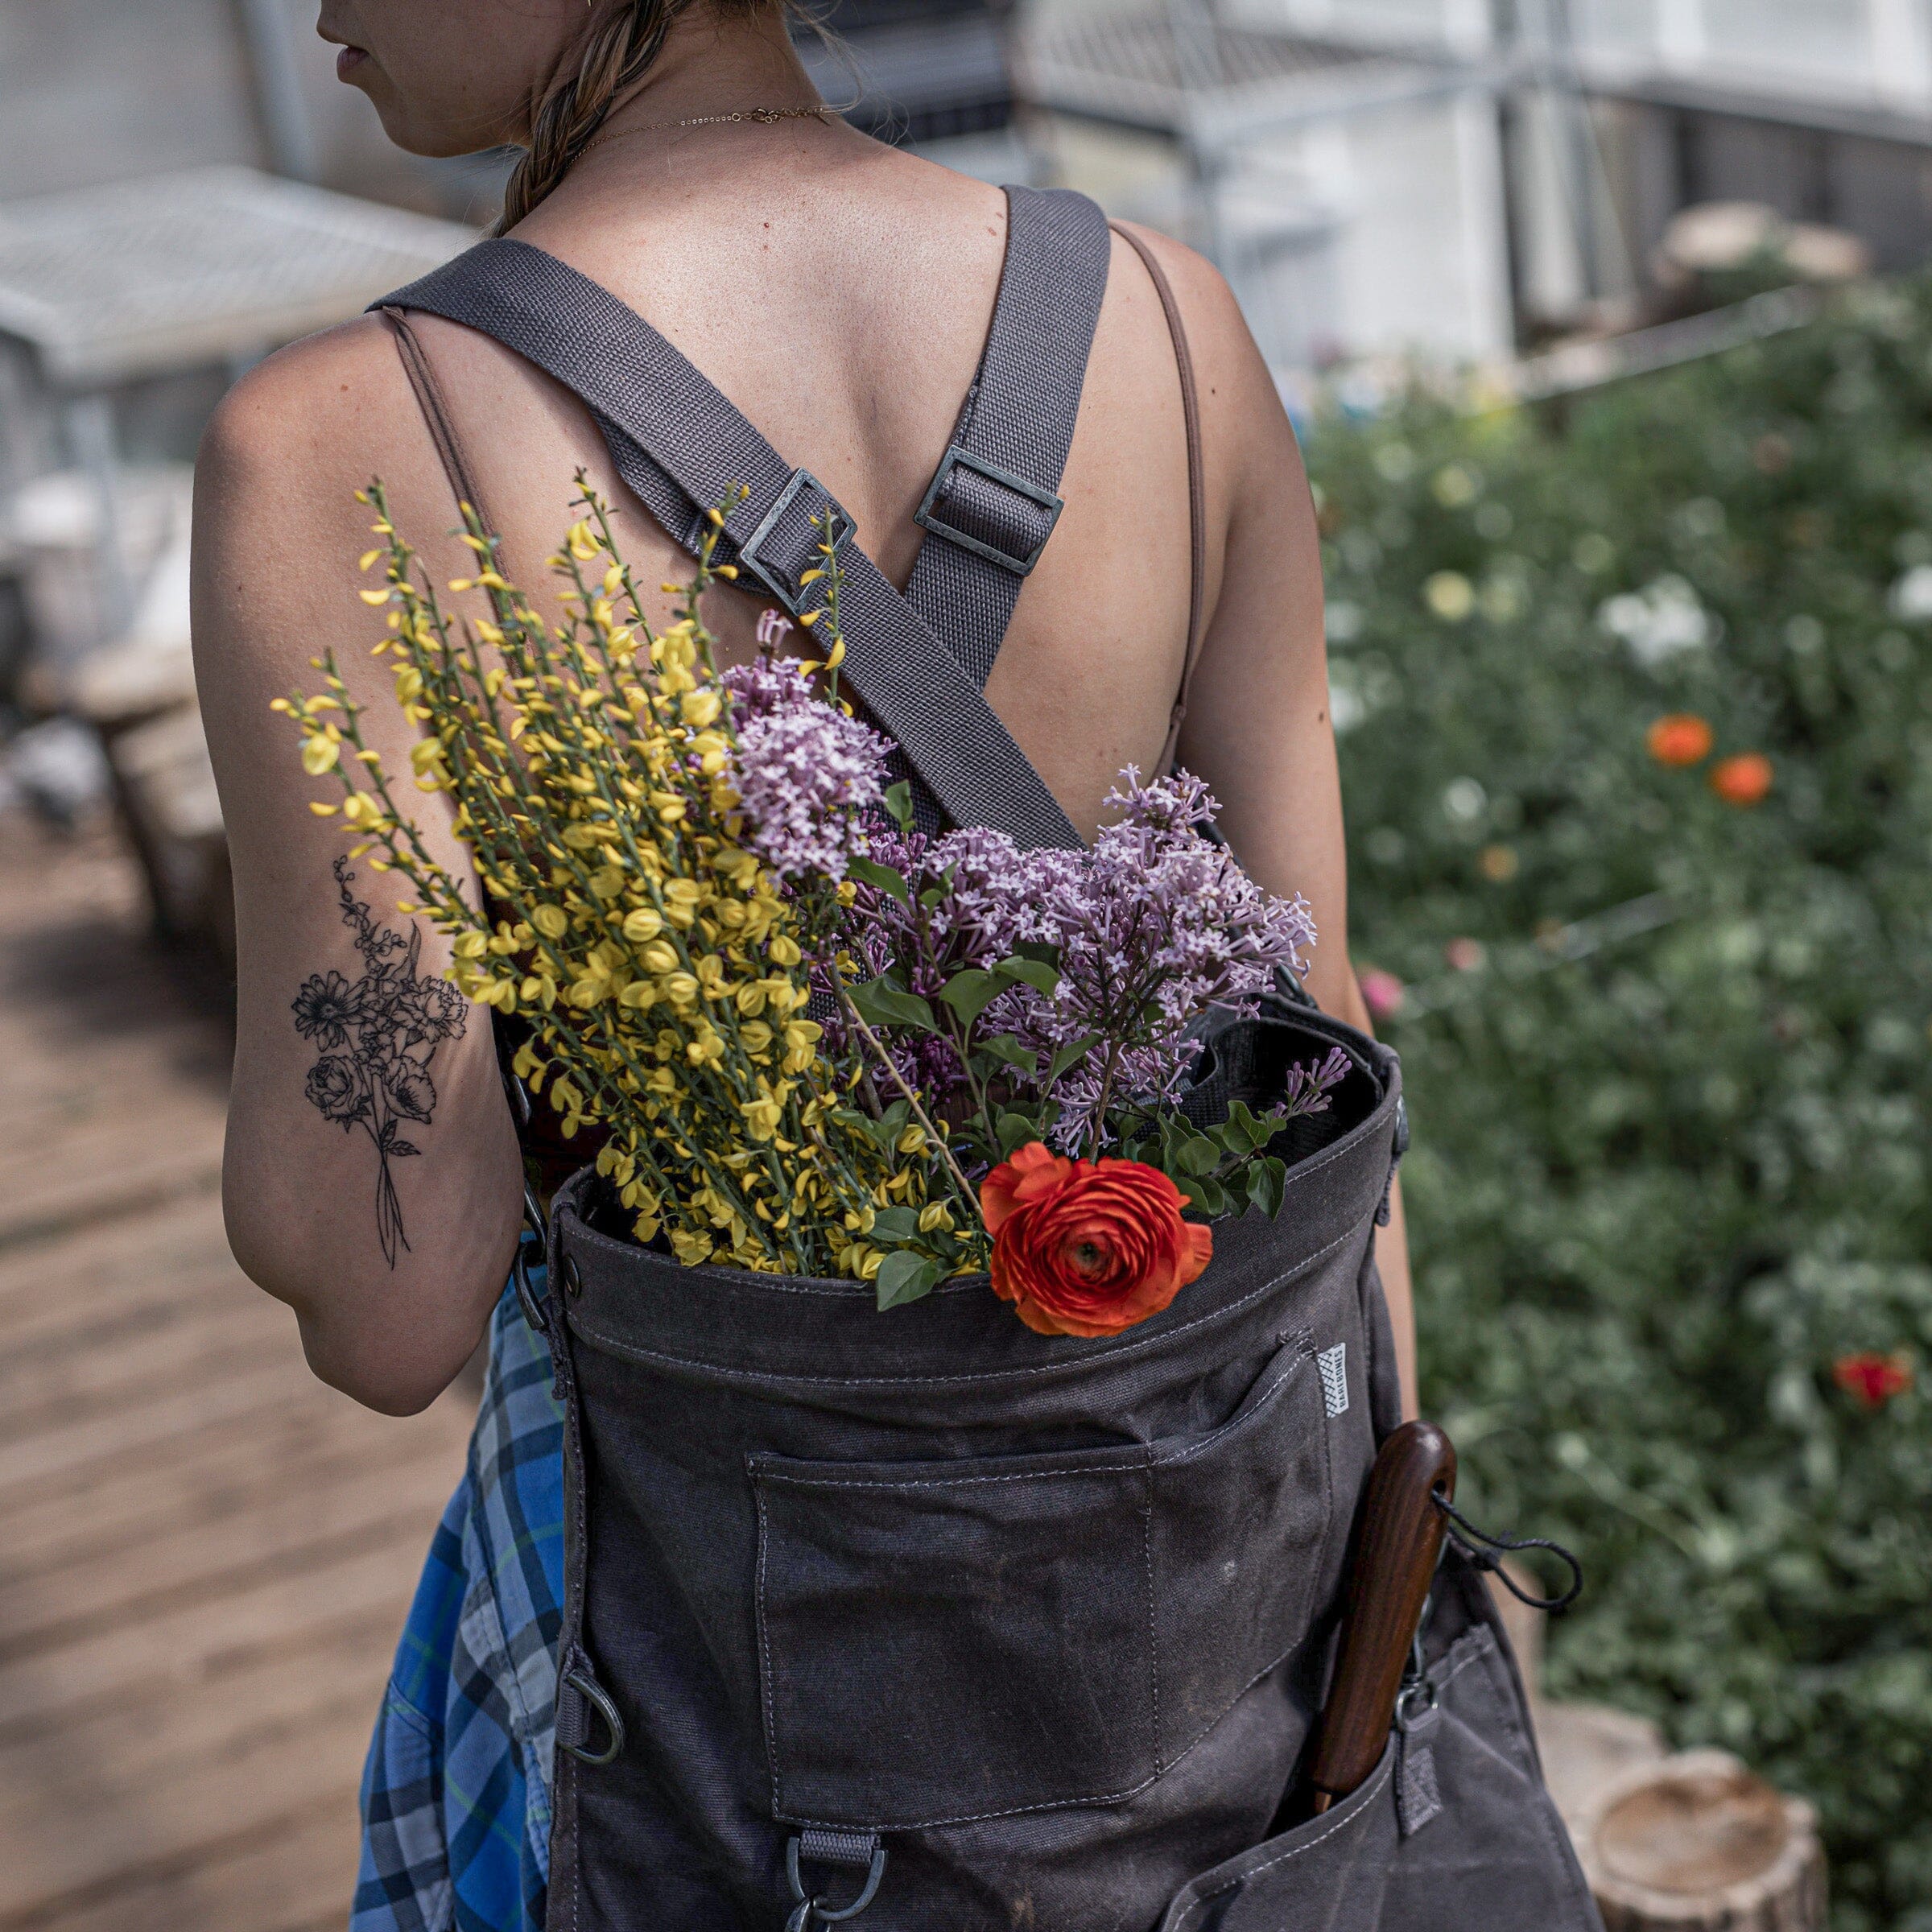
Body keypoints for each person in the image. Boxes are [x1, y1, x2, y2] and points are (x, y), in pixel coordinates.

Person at [192, 2, 1415, 1925]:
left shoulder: (343, 441)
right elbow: (1318, 1065)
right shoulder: (1169, 321)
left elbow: (387, 1294)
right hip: (1204, 1664)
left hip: (732, 1728)